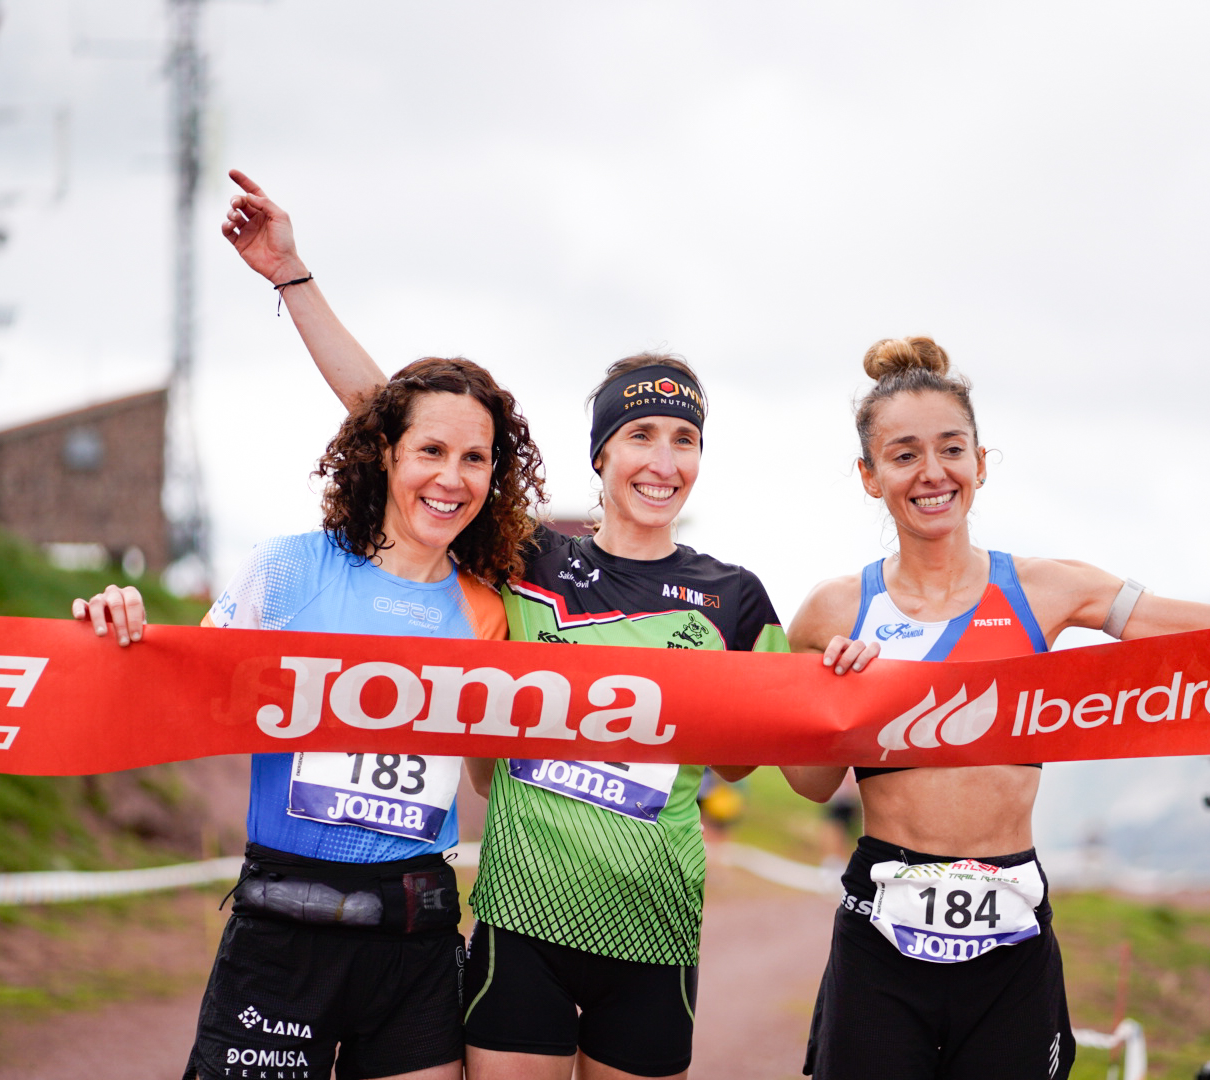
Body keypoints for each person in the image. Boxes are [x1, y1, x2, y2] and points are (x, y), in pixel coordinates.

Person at [219, 170, 790, 1080]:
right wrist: (295, 279)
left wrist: (849, 673)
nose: (664, 460)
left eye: (685, 441)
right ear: (600, 453)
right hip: (520, 922)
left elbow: (764, 762)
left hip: (657, 929)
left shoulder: (737, 596)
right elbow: (394, 421)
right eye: (641, 436)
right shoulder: (530, 560)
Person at [782, 337, 1210, 1080]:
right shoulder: (834, 608)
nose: (932, 473)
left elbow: (1207, 627)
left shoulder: (1046, 589)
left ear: (982, 462)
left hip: (1011, 950)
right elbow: (808, 782)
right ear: (870, 477)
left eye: (951, 449)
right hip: (881, 946)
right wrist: (835, 700)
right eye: (904, 455)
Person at [74, 355, 545, 1080]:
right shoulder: (286, 569)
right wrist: (122, 629)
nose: (452, 478)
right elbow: (180, 689)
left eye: (474, 458)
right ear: (385, 453)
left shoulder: (489, 611)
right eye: (431, 451)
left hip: (413, 943)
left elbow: (483, 774)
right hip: (283, 935)